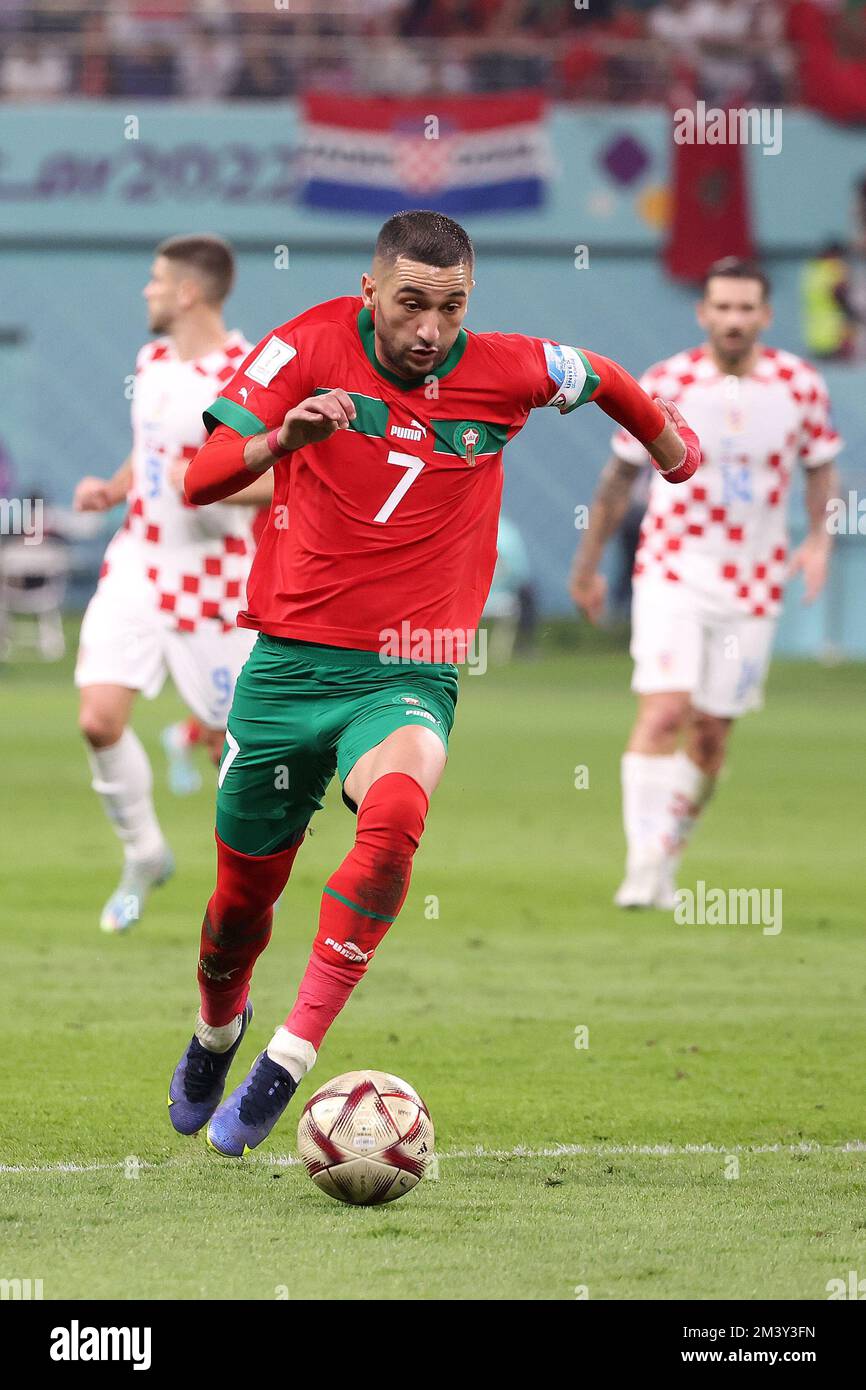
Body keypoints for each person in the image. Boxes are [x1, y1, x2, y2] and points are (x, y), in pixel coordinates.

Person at [167, 209, 701, 1157]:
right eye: (411, 304)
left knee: (399, 812)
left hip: (411, 665)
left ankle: (289, 1056)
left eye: (451, 308)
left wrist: (671, 447)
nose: (430, 329)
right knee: (238, 910)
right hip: (290, 663)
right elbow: (198, 479)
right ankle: (218, 1030)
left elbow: (609, 376)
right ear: (371, 291)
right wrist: (276, 439)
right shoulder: (306, 345)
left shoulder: (507, 369)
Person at [570, 256, 840, 909]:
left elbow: (821, 466)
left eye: (746, 308)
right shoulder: (668, 382)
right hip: (674, 568)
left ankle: (667, 853)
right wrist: (588, 565)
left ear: (766, 316)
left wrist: (818, 538)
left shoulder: (799, 386)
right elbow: (619, 478)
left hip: (753, 583)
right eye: (722, 307)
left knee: (713, 734)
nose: (734, 320)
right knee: (664, 711)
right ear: (704, 313)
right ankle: (642, 866)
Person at [74, 235, 272, 934]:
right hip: (137, 564)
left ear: (188, 293)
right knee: (98, 718)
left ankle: (241, 905)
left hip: (215, 586)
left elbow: (283, 477)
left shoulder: (247, 375)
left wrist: (210, 486)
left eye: (156, 280)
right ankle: (145, 853)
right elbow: (152, 445)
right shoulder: (152, 361)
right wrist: (116, 486)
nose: (146, 291)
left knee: (234, 749)